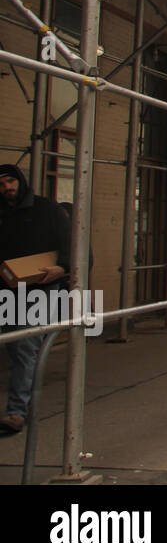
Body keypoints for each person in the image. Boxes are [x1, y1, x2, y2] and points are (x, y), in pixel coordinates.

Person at [0, 163, 70, 436]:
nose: (7, 188)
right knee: (15, 348)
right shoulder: (3, 214)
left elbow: (73, 246)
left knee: (26, 347)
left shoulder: (48, 211)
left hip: (41, 291)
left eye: (10, 182)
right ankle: (20, 405)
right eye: (2, 184)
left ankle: (16, 412)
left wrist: (61, 268)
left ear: (20, 181)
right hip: (8, 292)